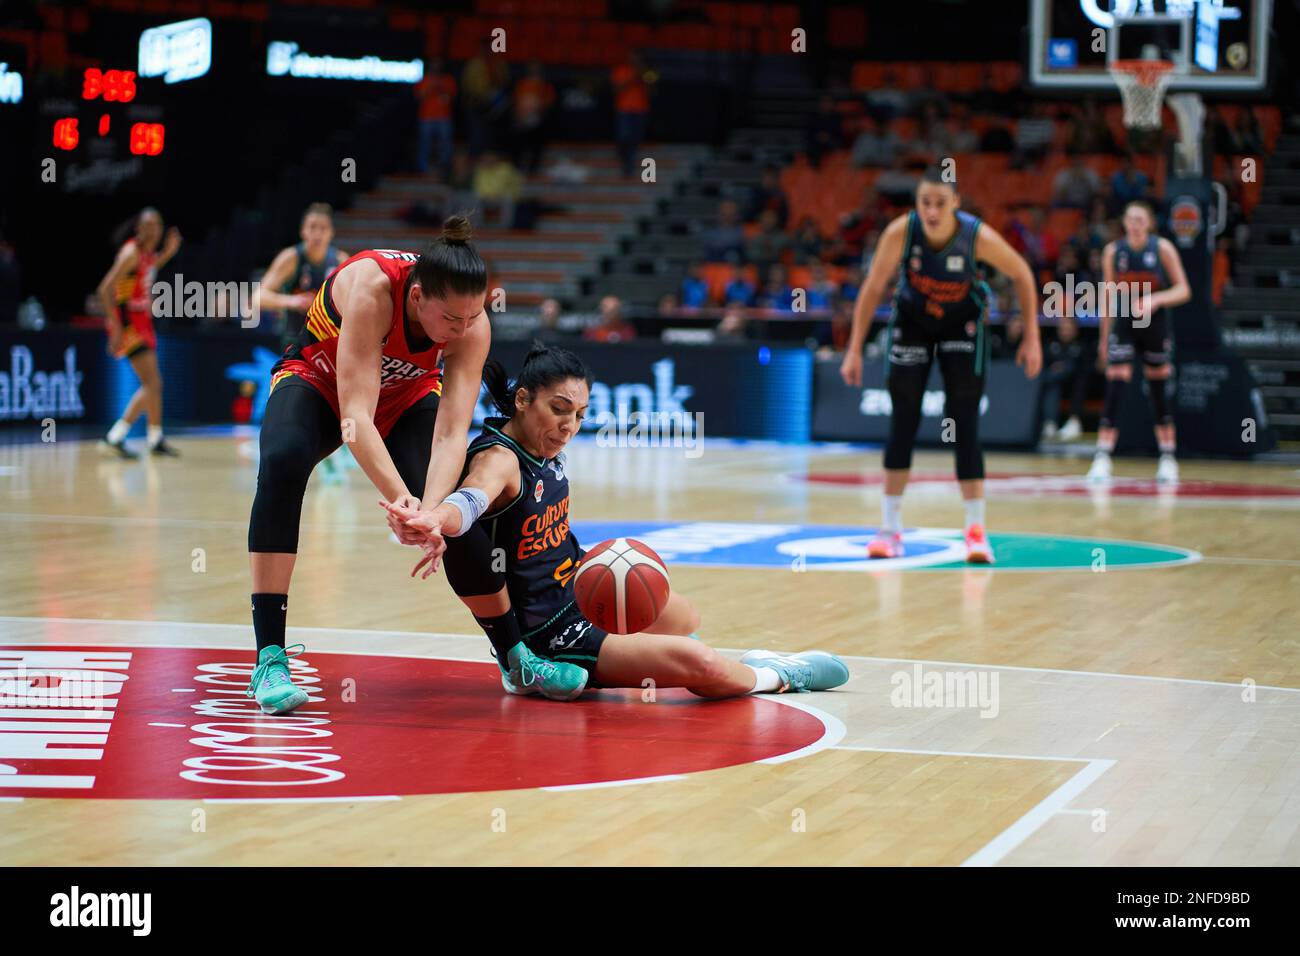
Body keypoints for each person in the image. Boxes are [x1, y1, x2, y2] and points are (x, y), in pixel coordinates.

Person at [389, 344, 850, 700]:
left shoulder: (545, 446)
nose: (570, 426)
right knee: (698, 663)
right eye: (559, 409)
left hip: (577, 592)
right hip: (548, 631)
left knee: (682, 614)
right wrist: (436, 519)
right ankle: (777, 675)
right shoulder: (500, 460)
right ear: (524, 400)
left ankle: (727, 662)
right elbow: (470, 499)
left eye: (580, 415)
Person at [245, 216, 499, 715]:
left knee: (459, 504)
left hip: (405, 396)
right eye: (452, 321)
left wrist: (430, 512)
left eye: (472, 319)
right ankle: (270, 656)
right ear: (420, 297)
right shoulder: (371, 285)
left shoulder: (470, 322)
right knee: (282, 461)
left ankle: (515, 652)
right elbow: (354, 417)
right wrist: (400, 498)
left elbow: (451, 433)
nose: (462, 330)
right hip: (318, 380)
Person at [840, 166, 1043, 564]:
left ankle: (975, 530)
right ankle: (889, 528)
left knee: (964, 421)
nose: (931, 211)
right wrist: (853, 348)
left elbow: (1022, 273)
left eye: (940, 203)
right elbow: (873, 288)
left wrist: (1033, 337)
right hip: (913, 323)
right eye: (925, 203)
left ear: (956, 204)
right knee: (903, 419)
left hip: (961, 325)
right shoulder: (902, 232)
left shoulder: (976, 236)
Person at [1087, 201, 1191, 485]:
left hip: (1154, 324)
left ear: (1149, 223)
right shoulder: (1113, 251)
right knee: (1116, 386)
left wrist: (1155, 299)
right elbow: (1108, 296)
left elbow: (1184, 289)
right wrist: (1103, 338)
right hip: (1124, 322)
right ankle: (1102, 457)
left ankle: (1168, 459)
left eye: (1140, 219)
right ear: (1124, 222)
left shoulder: (1162, 249)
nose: (1134, 224)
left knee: (1158, 389)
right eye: (1130, 219)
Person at [96, 208, 183, 459]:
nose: (155, 230)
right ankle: (115, 435)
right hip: (129, 325)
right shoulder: (131, 252)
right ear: (139, 228)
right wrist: (115, 329)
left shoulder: (145, 255)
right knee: (153, 383)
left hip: (142, 322)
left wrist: (168, 252)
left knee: (154, 385)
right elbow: (104, 290)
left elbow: (151, 268)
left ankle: (155, 439)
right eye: (149, 225)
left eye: (158, 225)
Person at [251, 203, 348, 349]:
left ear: (331, 232)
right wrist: (292, 301)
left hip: (330, 343)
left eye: (323, 228)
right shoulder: (291, 258)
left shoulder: (341, 260)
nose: (317, 233)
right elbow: (258, 297)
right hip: (294, 343)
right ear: (303, 231)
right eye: (312, 227)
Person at [611, 51, 653, 177]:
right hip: (624, 110)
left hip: (640, 110)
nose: (635, 60)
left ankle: (629, 165)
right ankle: (624, 159)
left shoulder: (647, 72)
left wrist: (644, 79)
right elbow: (616, 89)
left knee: (636, 139)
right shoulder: (621, 70)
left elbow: (652, 91)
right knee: (624, 137)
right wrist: (633, 78)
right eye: (632, 57)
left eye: (637, 58)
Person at [414, 58, 457, 177]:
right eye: (434, 64)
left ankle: (444, 167)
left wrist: (441, 88)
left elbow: (450, 98)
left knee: (445, 143)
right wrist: (431, 87)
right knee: (425, 143)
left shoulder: (448, 80)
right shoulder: (425, 80)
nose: (436, 67)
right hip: (427, 117)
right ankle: (422, 168)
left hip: (444, 117)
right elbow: (419, 97)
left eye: (438, 64)